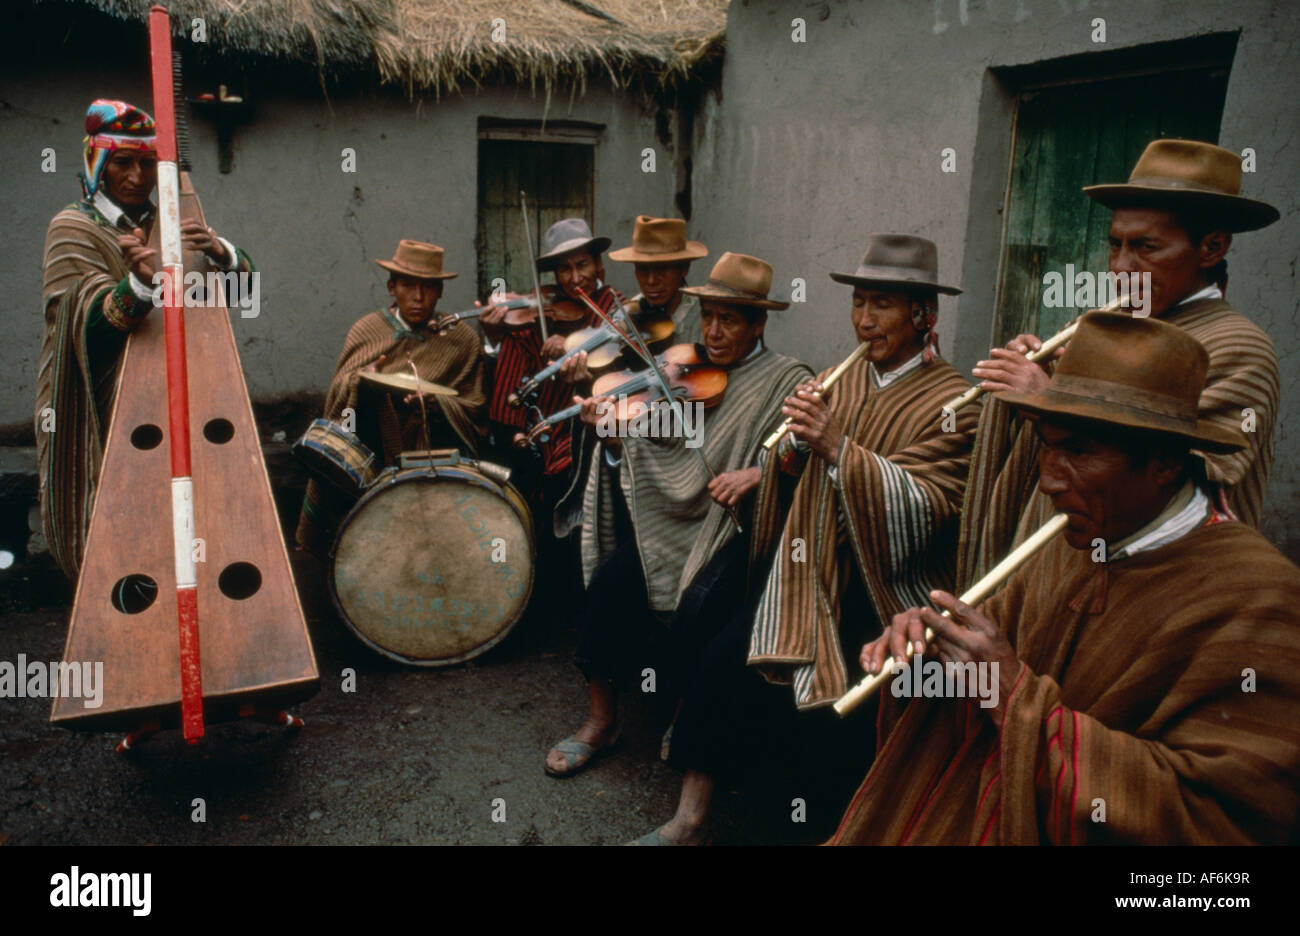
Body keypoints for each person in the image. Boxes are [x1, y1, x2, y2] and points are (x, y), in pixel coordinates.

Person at [832, 312, 1300, 844]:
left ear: (1165, 462)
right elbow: (974, 688)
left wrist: (1015, 699)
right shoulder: (1078, 544)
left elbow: (1221, 823)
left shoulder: (1260, 600)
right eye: (1045, 445)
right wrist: (933, 654)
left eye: (1078, 451)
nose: (1049, 480)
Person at [642, 235, 978, 844]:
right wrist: (789, 457)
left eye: (882, 305)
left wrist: (836, 450)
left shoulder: (956, 400)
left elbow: (931, 505)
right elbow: (789, 483)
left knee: (826, 714)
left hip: (884, 592)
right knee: (724, 657)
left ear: (924, 315)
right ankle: (689, 820)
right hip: (809, 572)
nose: (864, 321)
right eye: (859, 303)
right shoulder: (838, 379)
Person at [544, 253, 812, 799]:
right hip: (675, 518)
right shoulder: (686, 367)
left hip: (736, 528)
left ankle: (688, 724)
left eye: (730, 320)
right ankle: (603, 722)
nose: (713, 331)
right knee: (609, 585)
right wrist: (616, 436)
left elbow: (800, 454)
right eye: (708, 315)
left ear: (759, 324)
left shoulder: (788, 378)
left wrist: (759, 473)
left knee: (703, 609)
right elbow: (660, 440)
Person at [959, 139, 1281, 589]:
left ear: (1210, 247)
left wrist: (1045, 397)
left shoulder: (1239, 347)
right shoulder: (1108, 326)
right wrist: (1040, 376)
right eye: (1115, 246)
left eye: (1145, 248)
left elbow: (1171, 464)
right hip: (1070, 560)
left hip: (1162, 582)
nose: (1121, 268)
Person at [36, 99, 253, 581]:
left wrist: (222, 253)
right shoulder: (73, 227)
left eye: (147, 163)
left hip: (169, 391)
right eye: (122, 162)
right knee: (116, 528)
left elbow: (247, 294)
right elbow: (85, 328)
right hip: (101, 397)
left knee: (176, 514)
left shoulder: (172, 223)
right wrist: (137, 286)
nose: (137, 176)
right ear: (97, 162)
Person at [295, 240, 486, 553]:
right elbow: (339, 399)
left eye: (428, 287)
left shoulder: (461, 340)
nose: (419, 297)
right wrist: (364, 380)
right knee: (359, 550)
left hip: (431, 461)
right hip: (368, 454)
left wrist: (438, 405)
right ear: (391, 287)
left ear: (440, 291)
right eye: (408, 286)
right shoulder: (367, 330)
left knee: (425, 553)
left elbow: (475, 406)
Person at [606, 215, 707, 349]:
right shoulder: (629, 314)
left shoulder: (705, 318)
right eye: (643, 269)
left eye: (662, 269)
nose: (651, 281)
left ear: (684, 268)